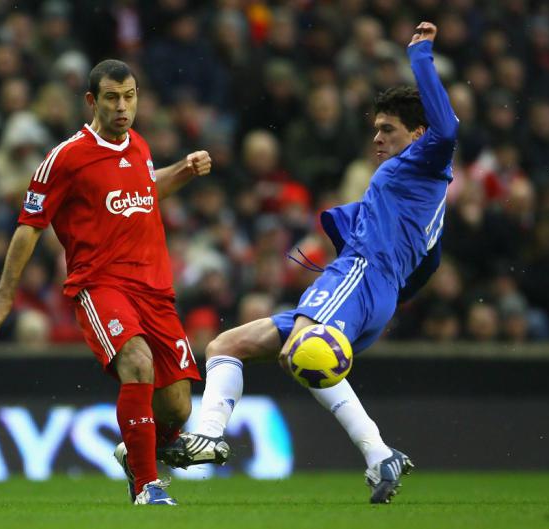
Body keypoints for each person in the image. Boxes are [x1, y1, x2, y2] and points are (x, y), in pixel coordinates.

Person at [160, 22, 458, 504]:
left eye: (389, 129)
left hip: (359, 277)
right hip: (368, 287)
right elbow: (430, 263)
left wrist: (421, 56)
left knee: (299, 353)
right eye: (375, 129)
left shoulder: (426, 160)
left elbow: (448, 127)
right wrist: (390, 296)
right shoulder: (423, 195)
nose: (377, 138)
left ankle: (375, 451)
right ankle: (215, 436)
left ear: (418, 135)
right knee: (226, 344)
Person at [0, 59, 212, 506]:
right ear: (92, 101)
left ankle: (137, 451)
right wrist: (3, 293)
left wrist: (182, 170)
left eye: (129, 97)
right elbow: (29, 226)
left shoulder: (139, 146)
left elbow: (144, 189)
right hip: (100, 285)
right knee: (138, 363)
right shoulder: (65, 158)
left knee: (178, 406)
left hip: (155, 288)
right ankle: (148, 484)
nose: (122, 107)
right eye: (111, 98)